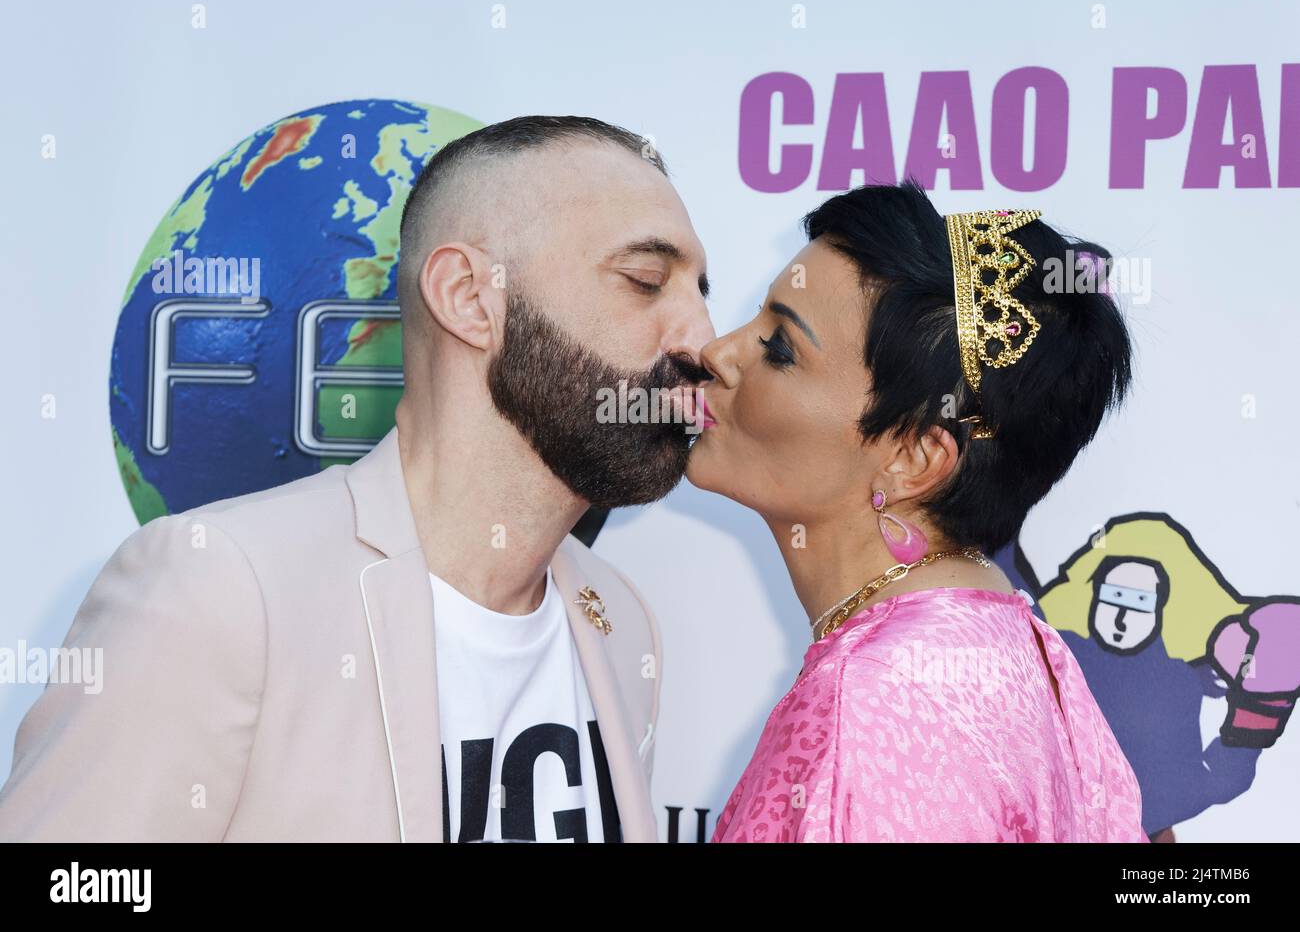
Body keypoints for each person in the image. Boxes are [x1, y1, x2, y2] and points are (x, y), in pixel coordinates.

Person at [0, 116, 714, 842]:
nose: (702, 337)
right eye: (646, 281)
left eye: (700, 290)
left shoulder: (620, 620)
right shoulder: (224, 589)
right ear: (469, 296)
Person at [691, 180, 1147, 842]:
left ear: (913, 456)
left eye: (781, 348)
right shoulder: (1017, 644)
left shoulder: (868, 702)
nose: (718, 353)